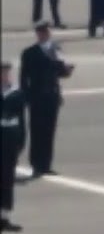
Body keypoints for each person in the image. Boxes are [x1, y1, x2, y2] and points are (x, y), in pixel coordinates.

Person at [20, 20, 74, 177]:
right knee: (37, 131)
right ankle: (36, 164)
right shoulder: (30, 53)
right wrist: (26, 96)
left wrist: (66, 71)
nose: (46, 35)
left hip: (51, 96)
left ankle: (46, 164)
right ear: (38, 34)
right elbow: (24, 77)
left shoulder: (54, 50)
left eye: (47, 32)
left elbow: (58, 73)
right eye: (43, 32)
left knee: (49, 132)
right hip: (37, 97)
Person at [1, 60, 25, 232]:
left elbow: (22, 120)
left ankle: (5, 216)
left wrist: (21, 140)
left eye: (6, 72)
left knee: (7, 179)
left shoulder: (16, 93)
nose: (4, 75)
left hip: (10, 137)